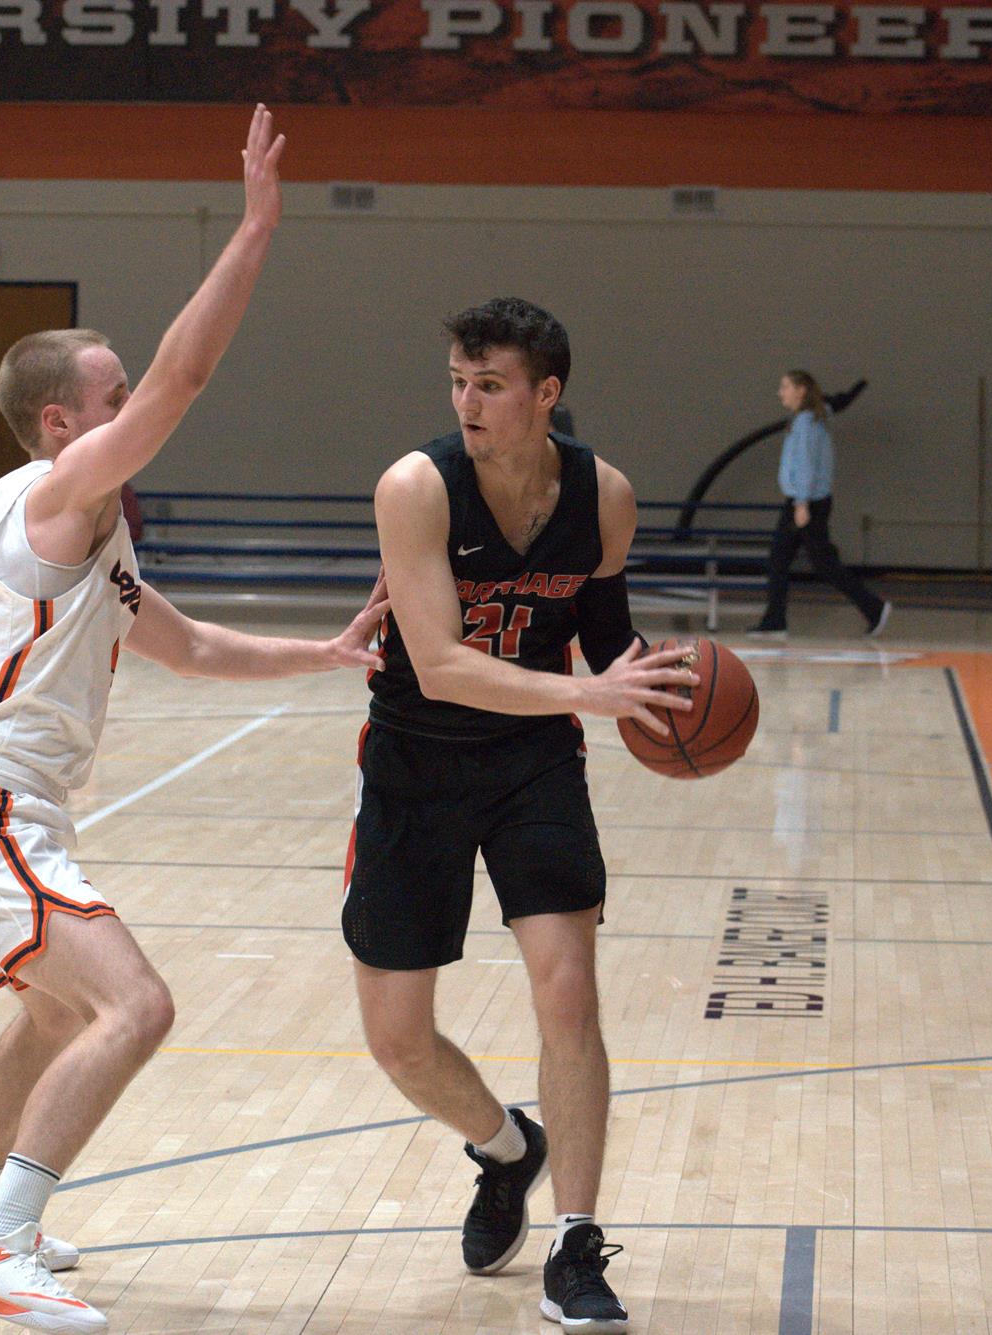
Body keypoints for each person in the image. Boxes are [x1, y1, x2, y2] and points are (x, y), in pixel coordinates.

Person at [0, 108, 388, 1335]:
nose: (131, 413)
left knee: (56, 1013)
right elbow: (184, 376)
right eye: (108, 400)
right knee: (136, 1008)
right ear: (65, 425)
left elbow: (195, 644)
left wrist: (325, 652)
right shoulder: (56, 496)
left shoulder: (79, 536)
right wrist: (257, 228)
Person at [350, 296, 698, 1335]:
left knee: (568, 990)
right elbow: (444, 667)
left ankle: (577, 1244)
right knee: (398, 1039)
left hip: (534, 764)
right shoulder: (414, 490)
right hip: (415, 763)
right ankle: (507, 1149)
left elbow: (602, 644)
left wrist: (660, 690)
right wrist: (583, 693)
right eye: (457, 381)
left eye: (489, 384)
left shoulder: (604, 497)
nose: (466, 401)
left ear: (545, 394)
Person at [747, 370, 890, 638]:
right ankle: (775, 620)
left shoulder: (806, 422)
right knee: (789, 561)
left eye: (785, 386)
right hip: (807, 501)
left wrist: (801, 504)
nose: (780, 393)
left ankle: (873, 607)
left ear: (800, 390)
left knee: (810, 563)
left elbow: (806, 466)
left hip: (805, 503)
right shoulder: (811, 417)